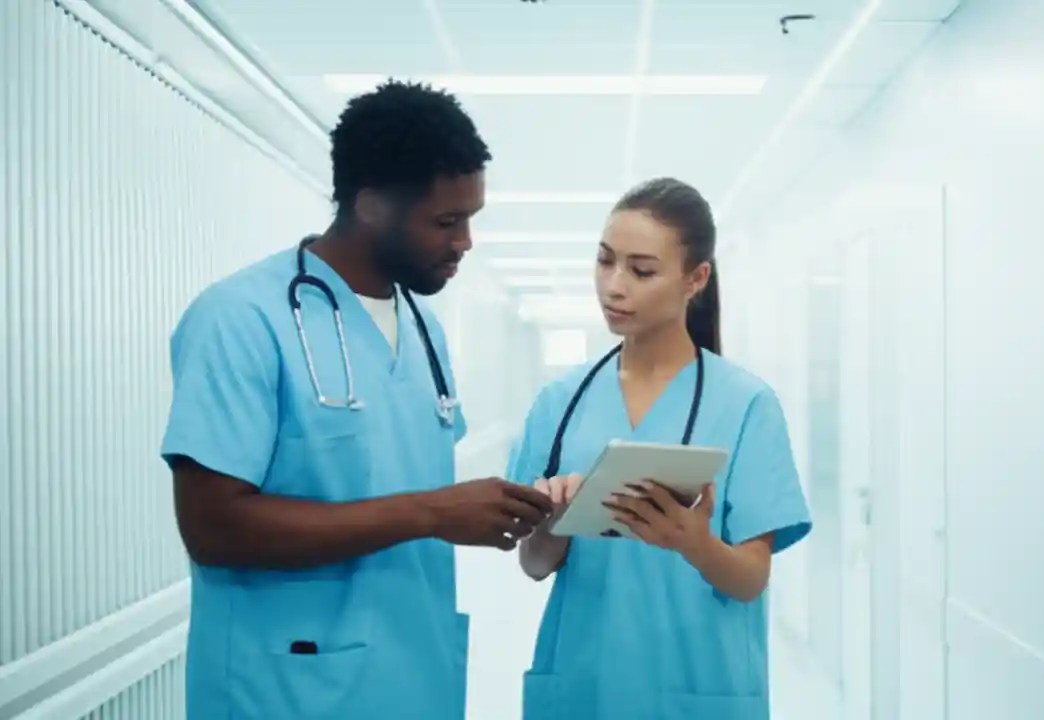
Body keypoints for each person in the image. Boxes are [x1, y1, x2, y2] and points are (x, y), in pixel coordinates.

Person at [159, 80, 552, 719]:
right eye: (446, 221)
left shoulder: (425, 334)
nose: (465, 242)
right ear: (371, 205)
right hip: (286, 691)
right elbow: (212, 526)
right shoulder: (240, 319)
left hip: (412, 679)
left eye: (470, 219)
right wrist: (430, 513)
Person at [507, 177, 813, 719]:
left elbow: (750, 579)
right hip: (584, 685)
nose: (613, 286)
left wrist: (694, 542)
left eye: (641, 270)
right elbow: (533, 565)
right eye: (605, 261)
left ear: (695, 279)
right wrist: (552, 520)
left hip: (696, 687)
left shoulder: (745, 404)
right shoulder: (560, 403)